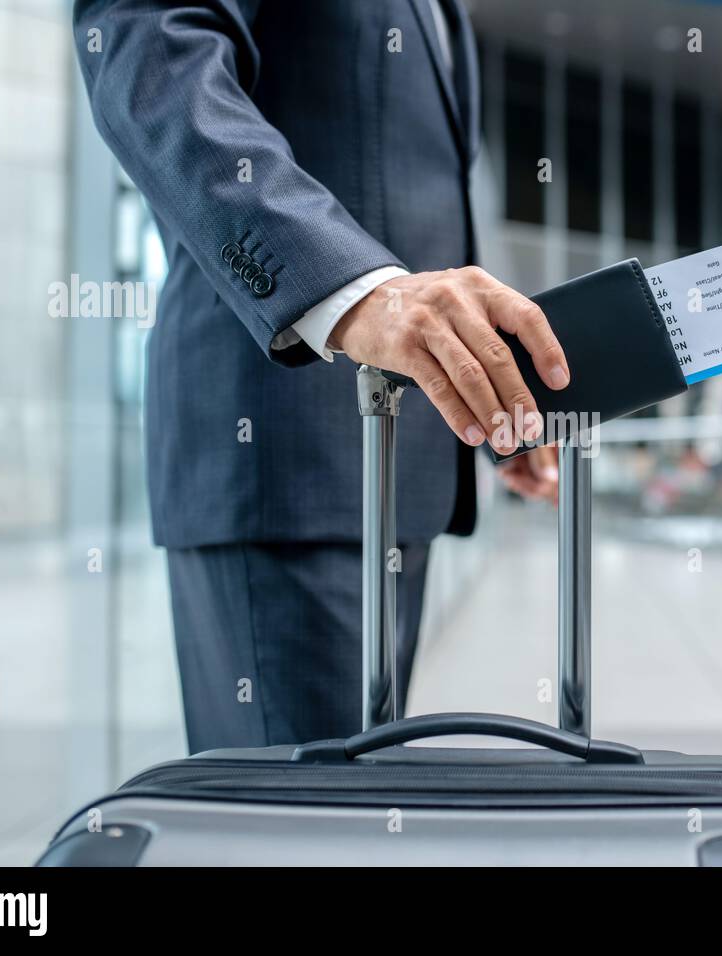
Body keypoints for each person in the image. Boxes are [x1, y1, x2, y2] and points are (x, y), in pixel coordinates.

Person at [72, 0, 567, 752]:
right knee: (298, 826)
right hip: (282, 457)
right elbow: (150, 53)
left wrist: (481, 386)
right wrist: (350, 288)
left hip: (388, 474)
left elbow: (408, 191)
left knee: (352, 816)